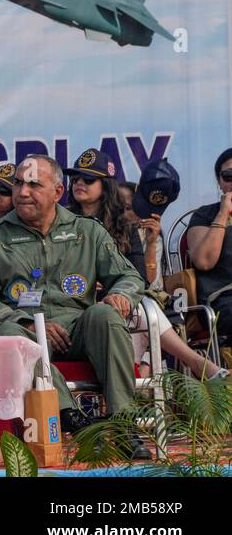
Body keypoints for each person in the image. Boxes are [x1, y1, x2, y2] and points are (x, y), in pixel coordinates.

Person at [0, 155, 149, 457]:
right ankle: (70, 415)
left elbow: (129, 276)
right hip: (26, 334)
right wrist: (26, 323)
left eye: (34, 185)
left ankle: (124, 424)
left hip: (77, 330)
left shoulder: (86, 231)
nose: (23, 192)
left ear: (58, 193)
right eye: (18, 184)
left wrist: (123, 296)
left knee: (104, 313)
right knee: (10, 335)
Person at [73, 152, 226, 380]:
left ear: (105, 186)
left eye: (88, 179)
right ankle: (192, 363)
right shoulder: (62, 223)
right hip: (78, 300)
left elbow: (140, 278)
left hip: (118, 301)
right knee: (144, 309)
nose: (79, 183)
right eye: (75, 178)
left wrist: (115, 290)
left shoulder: (125, 227)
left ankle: (128, 392)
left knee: (141, 306)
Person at [185, 147, 232, 352]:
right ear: (219, 182)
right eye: (228, 176)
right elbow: (204, 261)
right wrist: (223, 213)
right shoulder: (205, 215)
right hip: (223, 299)